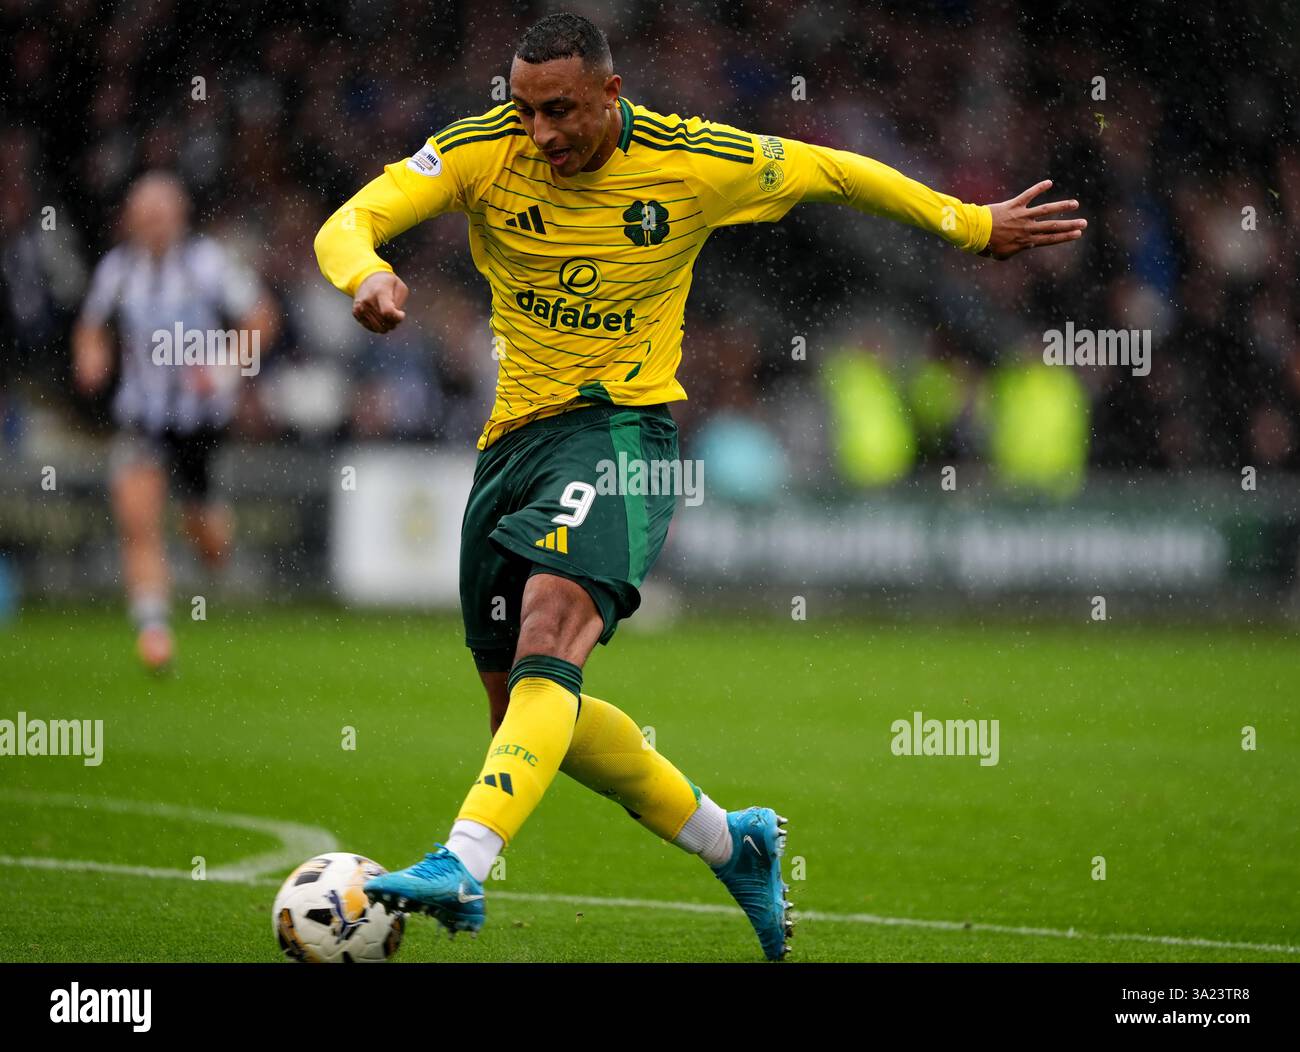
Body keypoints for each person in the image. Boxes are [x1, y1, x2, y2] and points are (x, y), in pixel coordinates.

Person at [313, 11, 1085, 960]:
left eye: (560, 112)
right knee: (524, 709)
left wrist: (968, 223)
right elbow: (348, 221)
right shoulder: (481, 150)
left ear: (611, 93)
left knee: (552, 635)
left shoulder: (690, 159)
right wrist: (368, 274)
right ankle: (735, 843)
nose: (541, 134)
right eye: (524, 111)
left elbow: (832, 168)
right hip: (507, 450)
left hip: (620, 432)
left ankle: (461, 861)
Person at [74, 171, 277, 670]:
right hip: (141, 419)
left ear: (180, 215)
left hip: (198, 423)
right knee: (138, 521)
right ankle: (154, 631)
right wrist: (91, 357)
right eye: (143, 216)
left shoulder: (208, 265)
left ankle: (215, 552)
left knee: (204, 534)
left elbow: (262, 316)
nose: (153, 224)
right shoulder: (118, 270)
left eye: (160, 214)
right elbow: (91, 327)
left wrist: (227, 368)